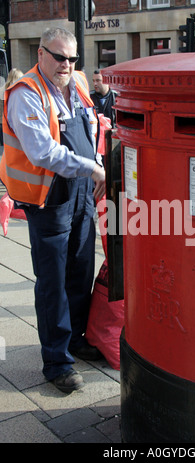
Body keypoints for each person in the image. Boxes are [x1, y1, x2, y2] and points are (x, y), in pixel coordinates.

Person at [0, 27, 106, 393]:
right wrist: (93, 167)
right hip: (47, 199)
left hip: (79, 191)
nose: (67, 64)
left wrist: (99, 160)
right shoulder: (25, 93)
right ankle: (57, 361)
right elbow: (42, 152)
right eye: (59, 56)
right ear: (41, 54)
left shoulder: (75, 83)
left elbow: (91, 129)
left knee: (81, 270)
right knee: (53, 283)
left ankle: (76, 338)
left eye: (73, 57)